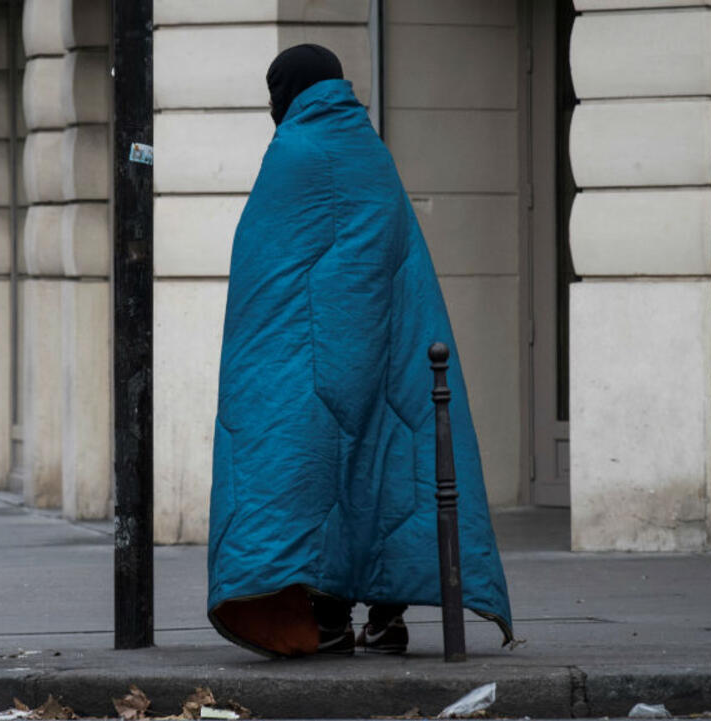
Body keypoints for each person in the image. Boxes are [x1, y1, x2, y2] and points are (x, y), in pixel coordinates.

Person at [206, 45, 514, 657]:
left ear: (288, 90)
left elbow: (266, 269)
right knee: (385, 470)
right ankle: (385, 616)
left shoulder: (291, 152)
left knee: (308, 477)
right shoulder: (372, 152)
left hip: (311, 359)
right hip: (384, 353)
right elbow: (400, 265)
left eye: (275, 91)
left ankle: (324, 616)